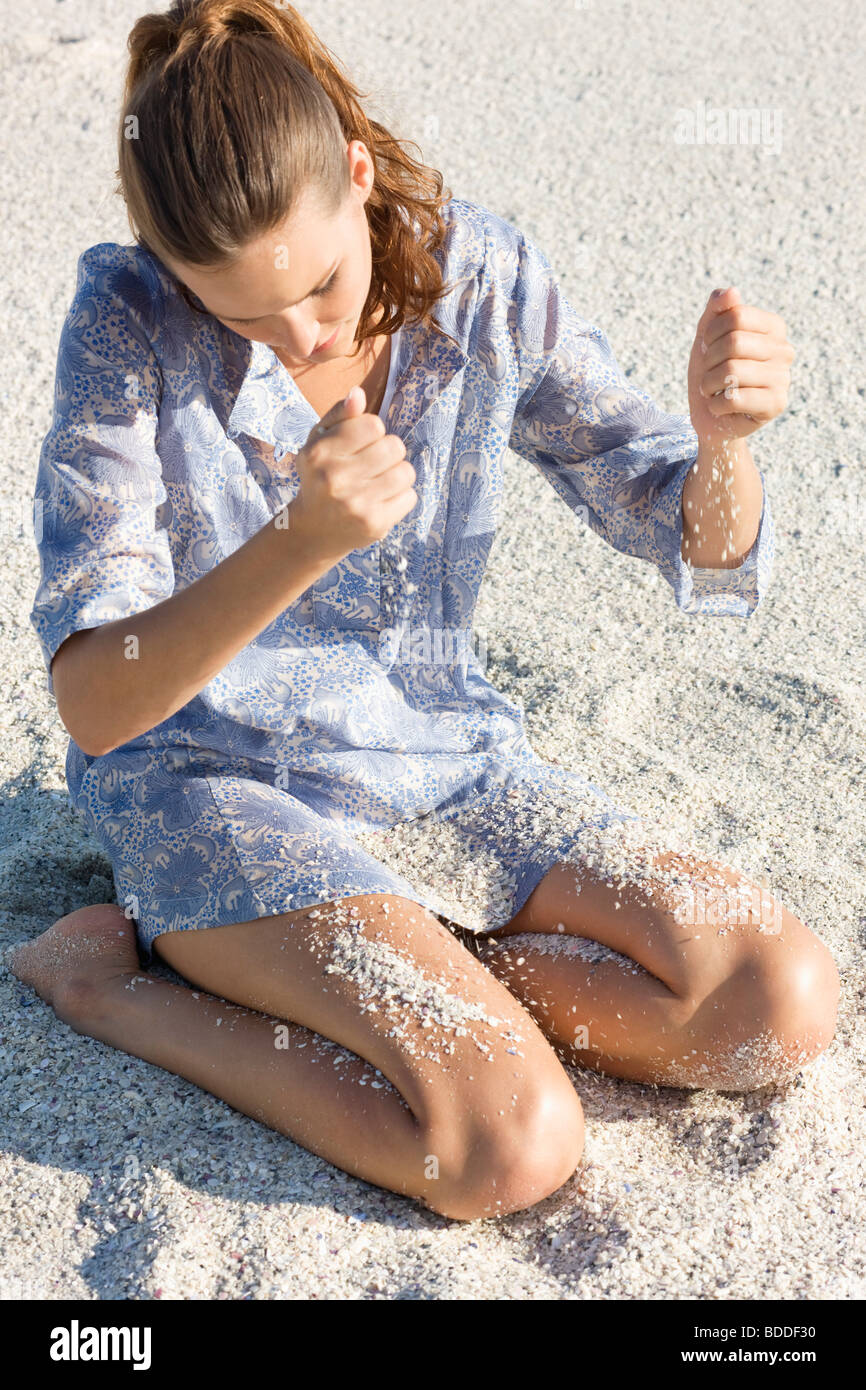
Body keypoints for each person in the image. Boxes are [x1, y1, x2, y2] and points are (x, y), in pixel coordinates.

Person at [12, 0, 837, 1223]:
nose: (301, 336)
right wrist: (297, 542)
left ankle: (448, 972)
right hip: (216, 784)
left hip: (441, 762)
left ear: (355, 174)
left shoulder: (484, 278)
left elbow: (698, 554)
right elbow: (94, 696)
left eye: (323, 284)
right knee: (505, 1144)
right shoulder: (125, 325)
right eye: (242, 316)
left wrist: (723, 444)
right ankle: (112, 986)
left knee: (778, 994)